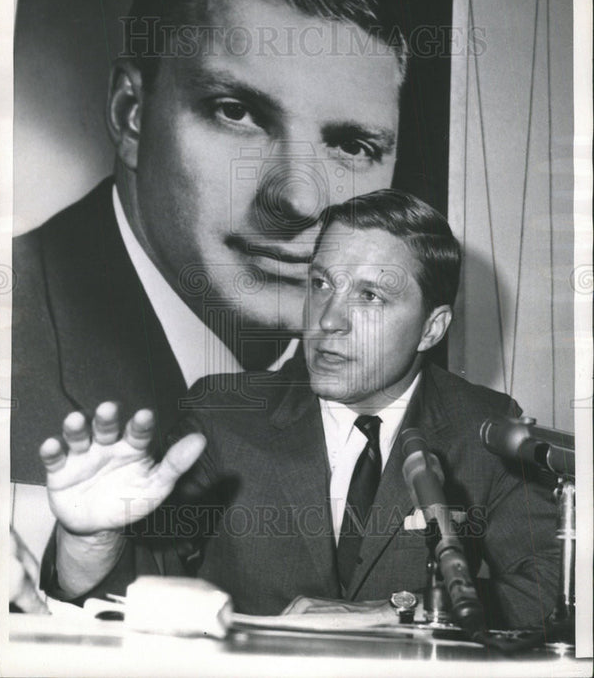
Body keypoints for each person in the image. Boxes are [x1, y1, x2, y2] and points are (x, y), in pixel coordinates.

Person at [11, 0, 408, 558]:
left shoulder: (378, 401)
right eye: (239, 113)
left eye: (353, 145)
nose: (302, 199)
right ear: (131, 115)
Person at [38, 190, 559, 629]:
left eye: (371, 296)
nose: (328, 319)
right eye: (321, 283)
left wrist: (400, 611)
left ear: (432, 328)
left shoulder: (485, 427)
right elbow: (133, 590)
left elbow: (553, 584)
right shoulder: (223, 416)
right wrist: (89, 539)